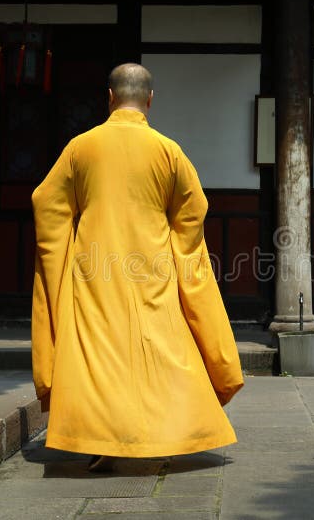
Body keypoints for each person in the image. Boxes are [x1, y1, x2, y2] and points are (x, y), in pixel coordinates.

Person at [31, 63, 244, 462]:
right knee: (161, 353)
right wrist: (182, 254)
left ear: (109, 98)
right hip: (153, 269)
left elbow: (47, 202)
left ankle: (102, 442)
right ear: (150, 101)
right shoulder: (168, 150)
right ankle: (166, 439)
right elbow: (193, 209)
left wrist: (63, 253)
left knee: (102, 355)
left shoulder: (81, 147)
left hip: (95, 270)